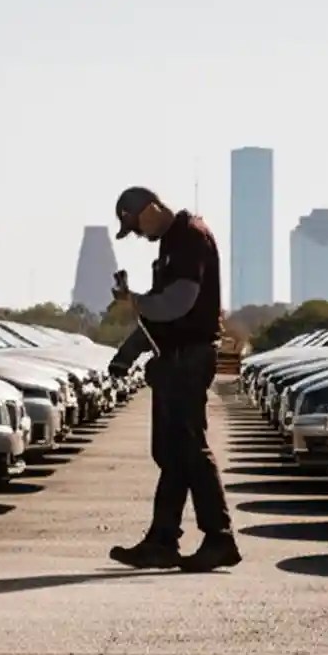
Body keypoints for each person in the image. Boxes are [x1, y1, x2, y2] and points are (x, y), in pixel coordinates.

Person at [105, 186, 241, 573]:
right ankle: (162, 541)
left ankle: (219, 538)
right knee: (172, 453)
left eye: (135, 226)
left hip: (189, 358)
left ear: (149, 209)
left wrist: (134, 300)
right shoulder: (170, 244)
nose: (139, 236)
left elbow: (176, 304)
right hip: (175, 359)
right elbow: (159, 315)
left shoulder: (188, 237)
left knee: (190, 449)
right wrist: (128, 353)